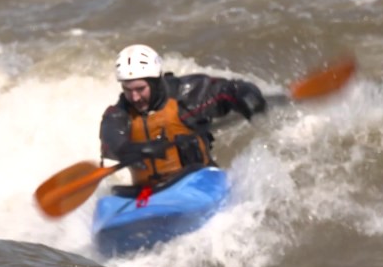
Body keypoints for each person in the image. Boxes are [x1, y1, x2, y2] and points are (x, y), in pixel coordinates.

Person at [100, 44, 267, 191]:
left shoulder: (187, 95)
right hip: (148, 194)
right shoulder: (118, 114)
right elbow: (112, 137)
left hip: (198, 182)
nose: (134, 97)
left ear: (155, 81)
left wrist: (246, 95)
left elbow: (229, 90)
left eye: (140, 89)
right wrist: (128, 149)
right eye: (128, 90)